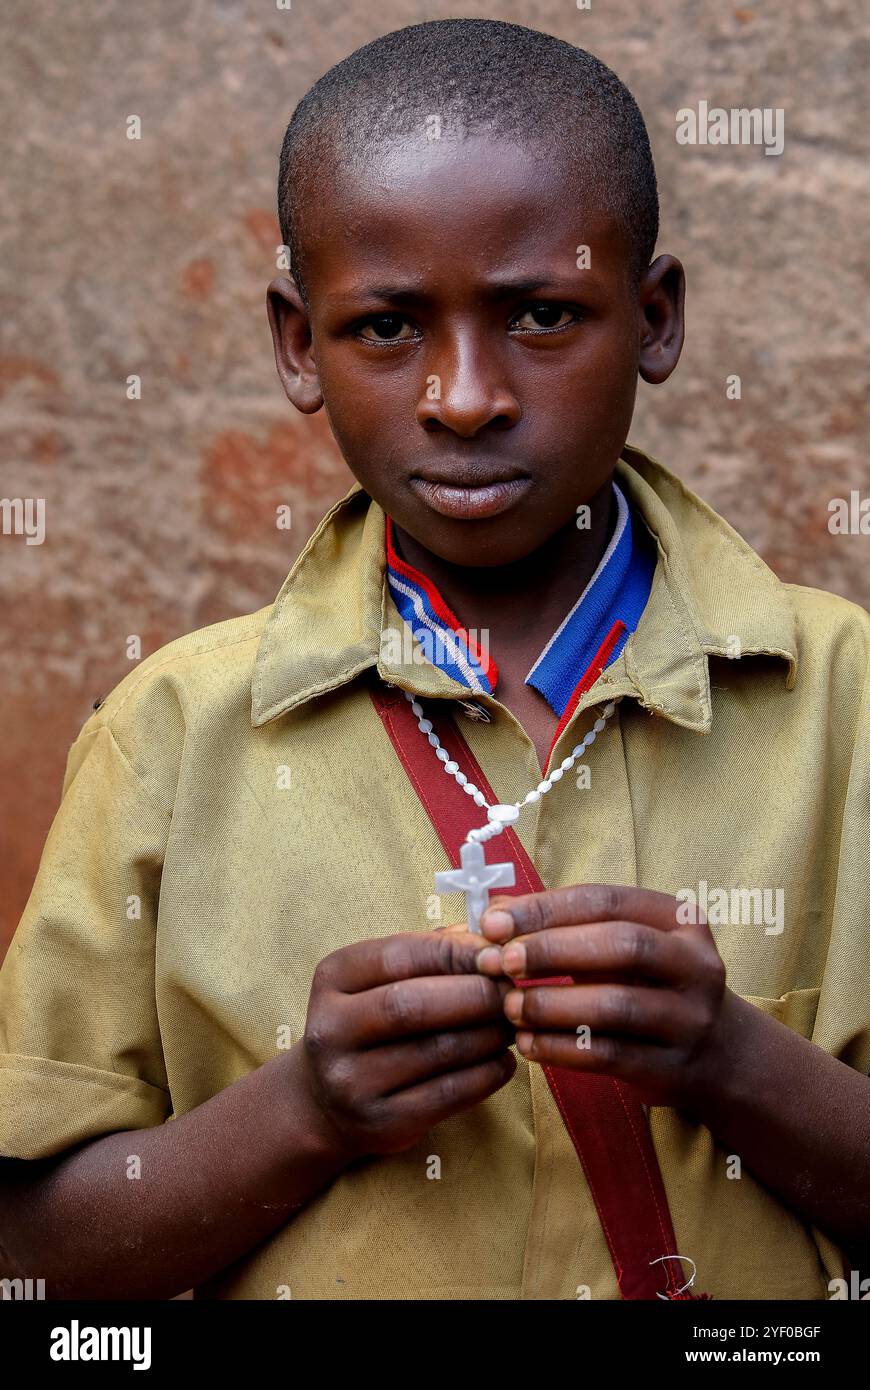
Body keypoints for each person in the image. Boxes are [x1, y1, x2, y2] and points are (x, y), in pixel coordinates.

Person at [1, 18, 867, 1301]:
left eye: (542, 313)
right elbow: (34, 1264)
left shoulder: (841, 699)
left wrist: (736, 1063)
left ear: (657, 318)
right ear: (300, 344)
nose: (465, 396)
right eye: (388, 328)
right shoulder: (175, 731)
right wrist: (304, 1111)